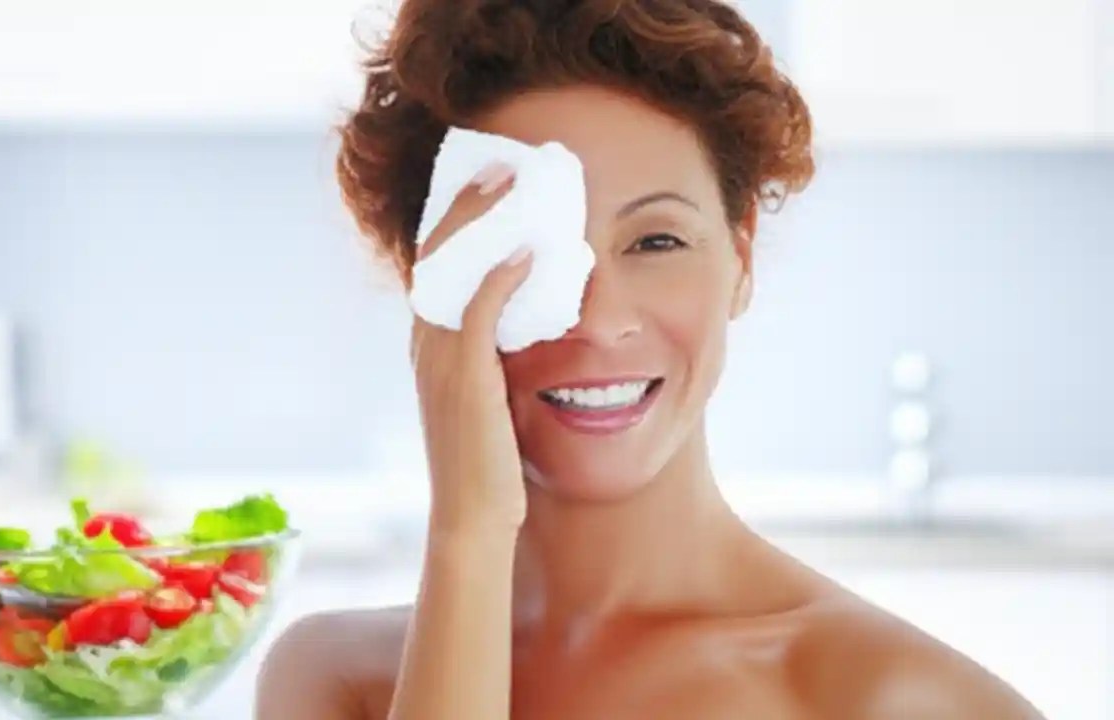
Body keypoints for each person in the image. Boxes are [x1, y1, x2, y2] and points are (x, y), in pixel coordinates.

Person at [256, 1, 1044, 717]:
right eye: (528, 257)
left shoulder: (898, 700)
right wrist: (469, 529)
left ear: (740, 261)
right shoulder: (338, 678)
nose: (597, 320)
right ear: (426, 281)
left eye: (656, 240)